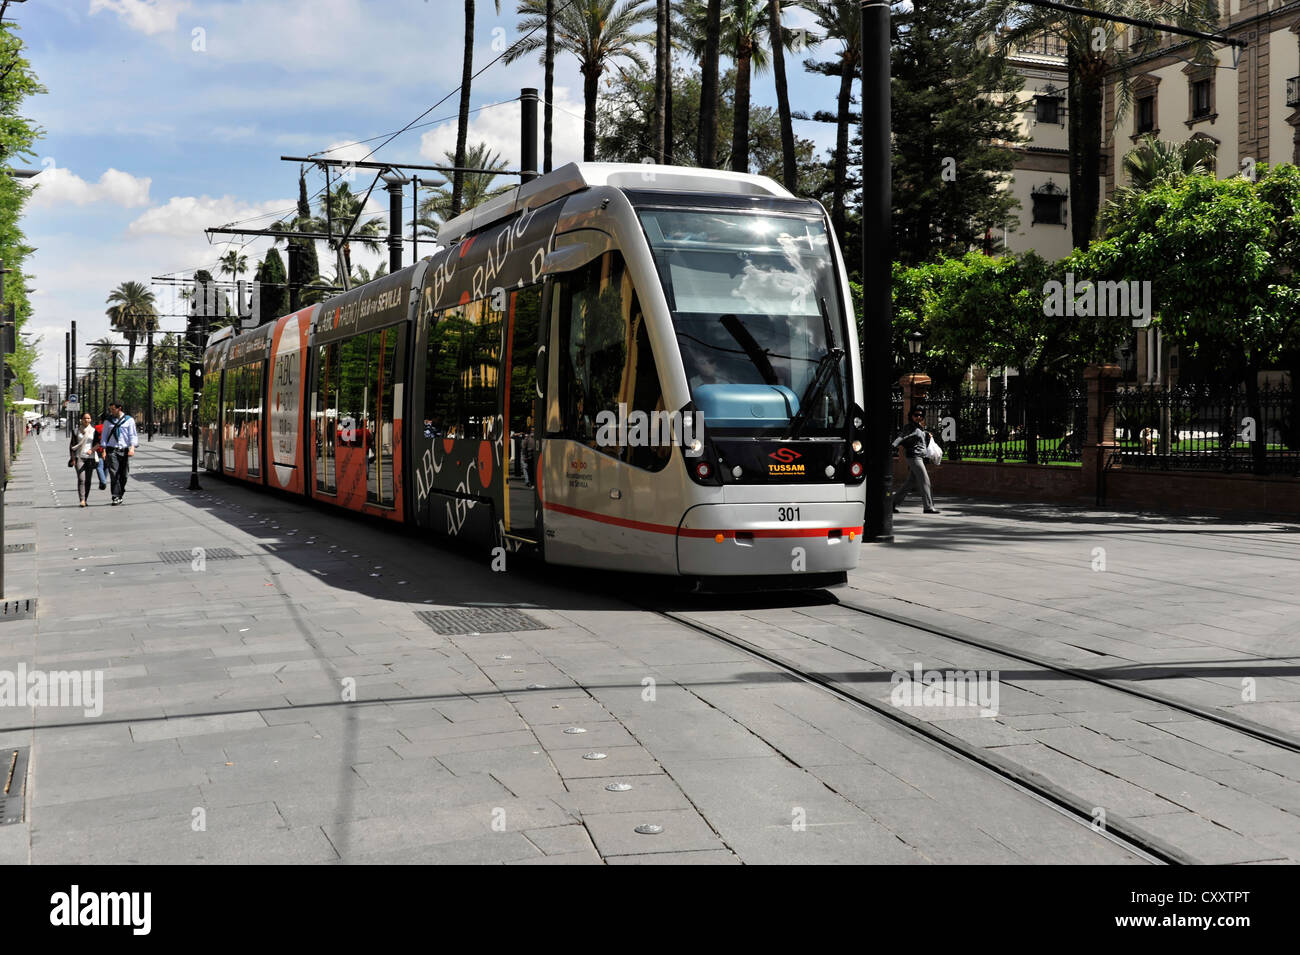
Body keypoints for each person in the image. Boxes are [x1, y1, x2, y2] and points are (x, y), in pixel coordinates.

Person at [892, 406, 941, 515]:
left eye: (920, 415)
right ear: (911, 416)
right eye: (916, 415)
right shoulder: (909, 427)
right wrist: (892, 446)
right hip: (914, 457)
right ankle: (928, 507)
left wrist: (927, 435)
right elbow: (901, 437)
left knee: (910, 483)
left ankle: (891, 503)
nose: (918, 417)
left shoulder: (920, 427)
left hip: (920, 457)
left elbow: (921, 440)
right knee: (925, 480)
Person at [100, 400, 139, 505]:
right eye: (110, 409)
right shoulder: (108, 421)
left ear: (119, 408)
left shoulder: (129, 420)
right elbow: (104, 436)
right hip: (112, 450)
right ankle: (115, 496)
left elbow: (132, 435)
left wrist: (132, 448)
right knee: (114, 473)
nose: (111, 411)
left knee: (124, 475)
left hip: (125, 450)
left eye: (113, 409)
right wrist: (103, 450)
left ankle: (120, 491)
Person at [68, 412, 100, 507]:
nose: (87, 420)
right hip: (79, 457)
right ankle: (82, 499)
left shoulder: (94, 431)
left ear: (91, 419)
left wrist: (92, 450)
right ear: (81, 419)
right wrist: (73, 458)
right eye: (85, 418)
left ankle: (85, 498)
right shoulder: (76, 431)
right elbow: (72, 445)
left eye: (89, 418)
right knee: (82, 479)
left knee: (88, 480)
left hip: (90, 458)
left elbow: (99, 443)